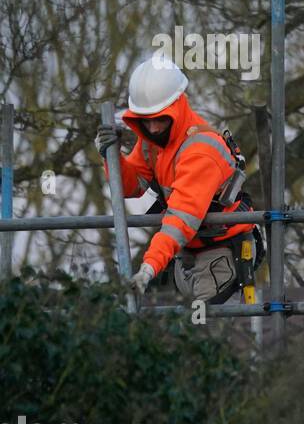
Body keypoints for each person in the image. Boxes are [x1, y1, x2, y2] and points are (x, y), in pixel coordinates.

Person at [96, 54, 264, 304]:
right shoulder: (153, 142)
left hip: (221, 256)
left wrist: (149, 267)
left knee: (211, 334)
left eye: (160, 120)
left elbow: (181, 219)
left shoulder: (200, 150)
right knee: (188, 333)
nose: (152, 129)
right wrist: (112, 157)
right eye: (146, 121)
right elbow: (132, 186)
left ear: (176, 106)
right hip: (188, 254)